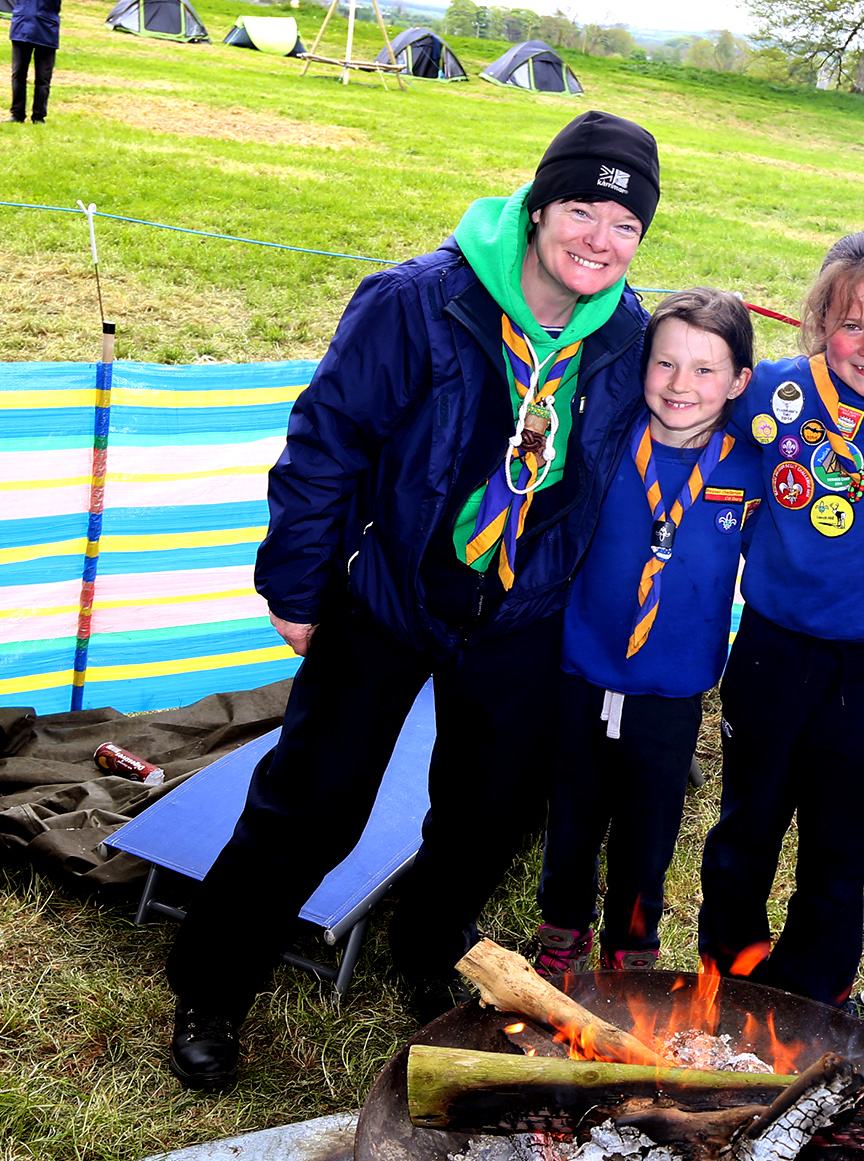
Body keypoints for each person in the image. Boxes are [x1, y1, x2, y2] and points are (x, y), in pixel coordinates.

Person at [165, 111, 661, 1091]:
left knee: (489, 810)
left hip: (518, 611)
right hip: (390, 593)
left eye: (625, 226)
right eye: (581, 211)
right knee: (313, 802)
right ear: (535, 206)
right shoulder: (418, 303)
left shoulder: (627, 338)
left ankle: (430, 947)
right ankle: (214, 986)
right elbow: (326, 444)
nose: (600, 242)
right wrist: (298, 584)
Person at [698, 233, 864, 1006]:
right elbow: (688, 405)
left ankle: (811, 997)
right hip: (773, 652)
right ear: (818, 324)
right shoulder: (774, 393)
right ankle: (727, 976)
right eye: (852, 324)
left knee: (841, 849)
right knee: (747, 827)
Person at [533, 289, 759, 979]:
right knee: (570, 818)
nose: (680, 386)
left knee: (648, 829)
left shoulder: (748, 466)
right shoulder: (605, 445)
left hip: (671, 690)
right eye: (665, 365)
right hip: (581, 670)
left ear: (741, 382)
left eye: (704, 370)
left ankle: (632, 948)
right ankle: (562, 931)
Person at [9, 0, 59, 125]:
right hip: (22, 26)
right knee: (18, 74)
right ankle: (17, 114)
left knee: (43, 78)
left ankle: (38, 116)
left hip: (47, 29)